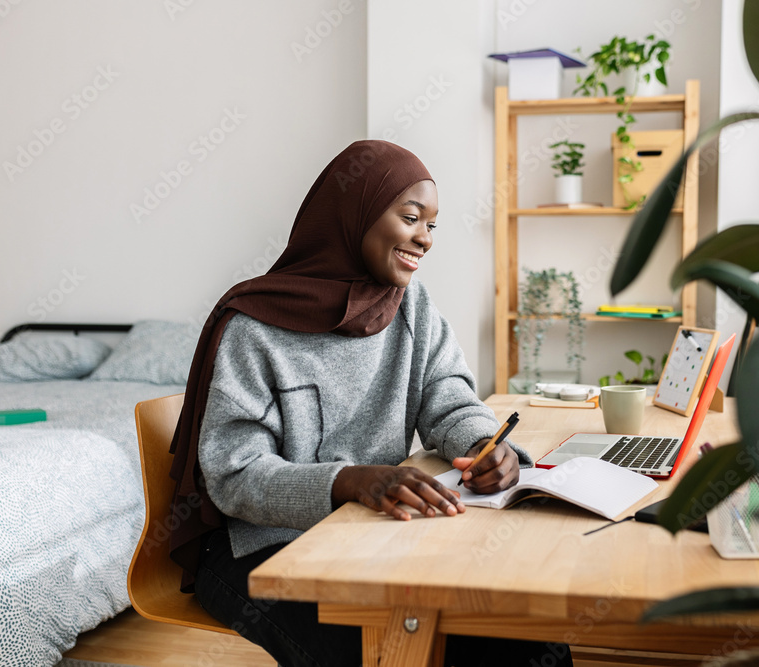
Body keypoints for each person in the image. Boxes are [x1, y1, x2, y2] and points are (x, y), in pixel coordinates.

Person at [167, 140, 574, 667]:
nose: (425, 239)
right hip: (259, 547)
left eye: (432, 225)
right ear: (353, 214)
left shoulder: (411, 305)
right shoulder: (253, 328)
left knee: (528, 637)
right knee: (372, 653)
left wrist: (483, 443)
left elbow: (447, 394)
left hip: (369, 533)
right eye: (411, 218)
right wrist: (350, 480)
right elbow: (234, 477)